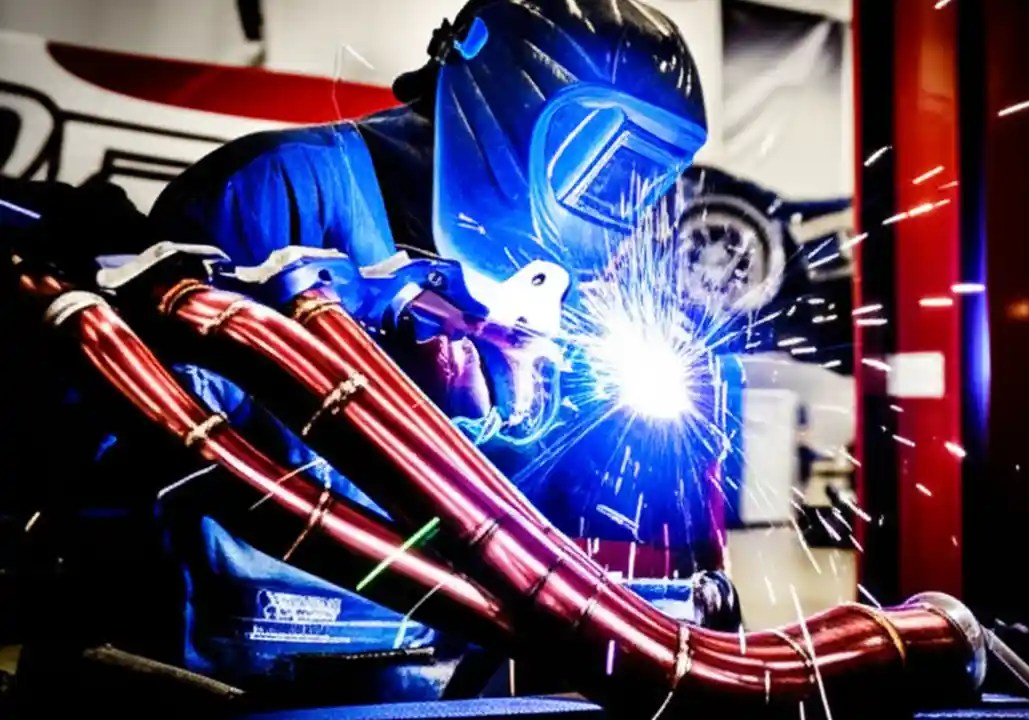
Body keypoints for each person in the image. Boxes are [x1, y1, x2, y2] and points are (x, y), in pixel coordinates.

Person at [142, 0, 716, 701]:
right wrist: (377, 367)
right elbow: (162, 427)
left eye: (645, 178)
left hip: (414, 668)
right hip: (218, 669)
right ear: (517, 96)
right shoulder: (276, 185)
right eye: (612, 163)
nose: (619, 197)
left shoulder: (542, 283)